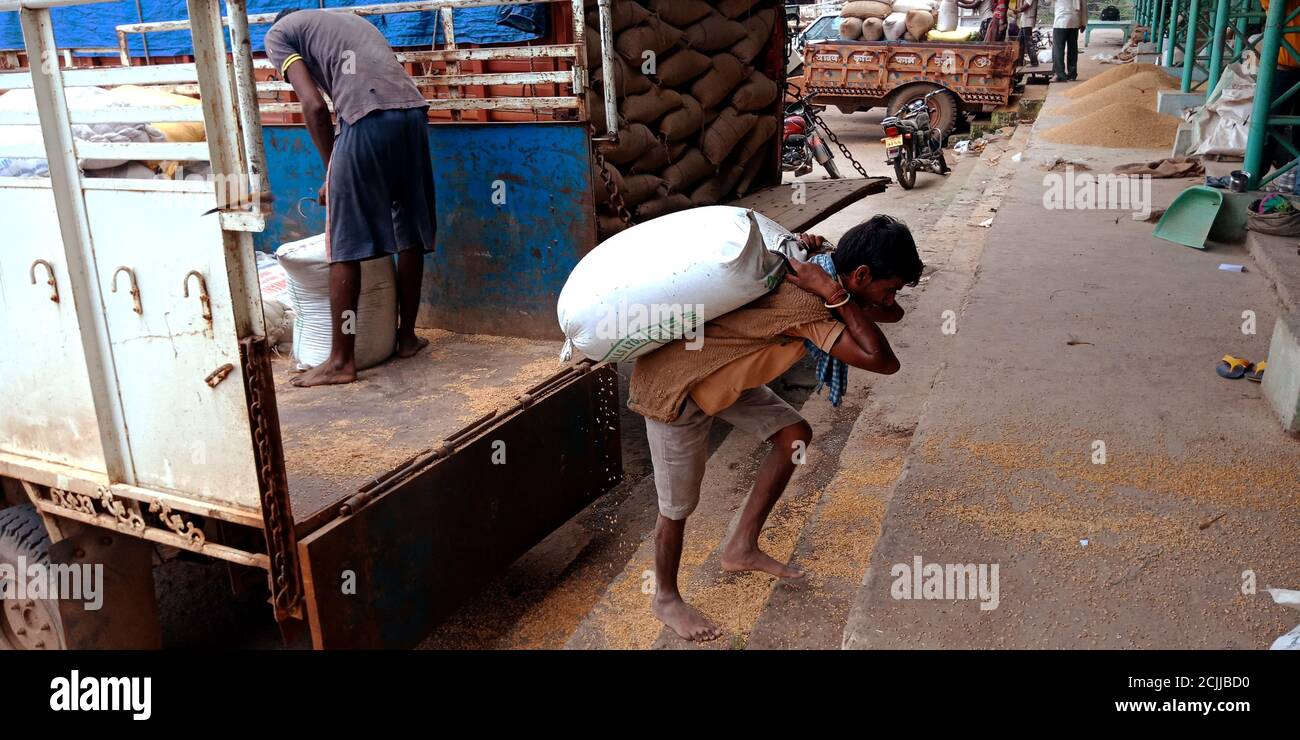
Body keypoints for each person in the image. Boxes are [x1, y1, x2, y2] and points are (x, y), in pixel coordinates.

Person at [628, 215, 924, 641]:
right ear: (859, 275)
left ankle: (741, 548)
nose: (891, 298)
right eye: (888, 287)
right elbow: (883, 361)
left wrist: (841, 292)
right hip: (680, 387)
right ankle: (666, 597)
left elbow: (889, 314)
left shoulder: (820, 266)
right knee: (676, 508)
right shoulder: (811, 304)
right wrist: (835, 295)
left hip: (724, 376)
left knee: (792, 435)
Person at [265, 8, 437, 387]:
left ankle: (341, 361)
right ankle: (406, 337)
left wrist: (332, 171)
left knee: (343, 243)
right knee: (408, 233)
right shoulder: (351, 21)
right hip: (412, 115)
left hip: (367, 119)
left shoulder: (278, 34)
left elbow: (312, 105)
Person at [1052, 0, 1086, 82]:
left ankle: (1059, 75)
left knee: (1058, 49)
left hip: (1061, 21)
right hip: (1075, 20)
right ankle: (1072, 74)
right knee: (1072, 49)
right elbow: (1084, 5)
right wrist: (1083, 22)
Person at [1018, 0, 1038, 66]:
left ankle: (1034, 62)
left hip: (1028, 21)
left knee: (1029, 43)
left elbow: (1022, 8)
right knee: (1020, 43)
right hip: (1024, 21)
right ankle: (1019, 63)